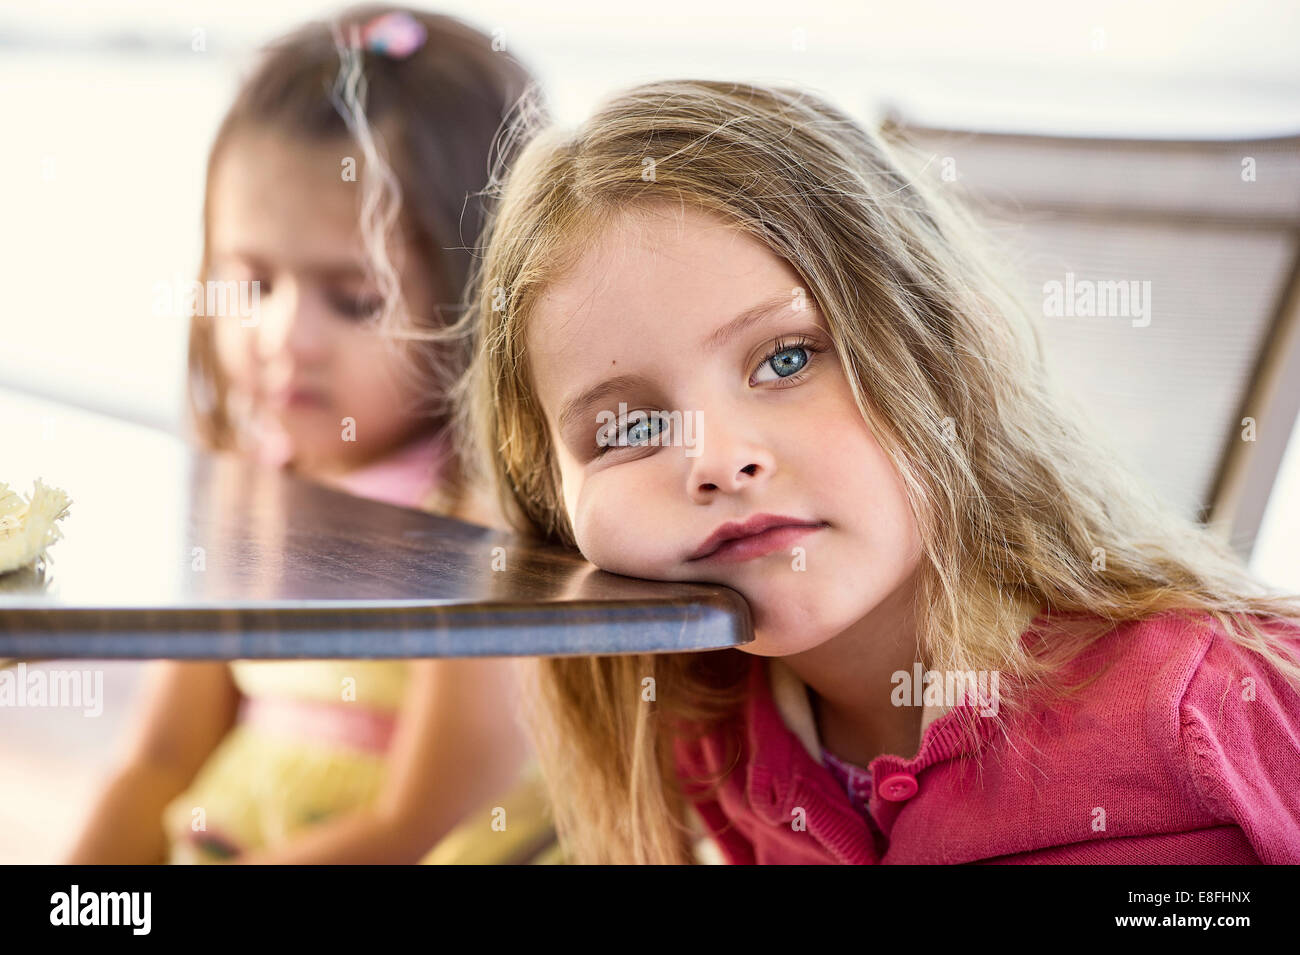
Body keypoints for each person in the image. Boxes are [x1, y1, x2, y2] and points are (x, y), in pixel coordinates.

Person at [450, 78, 1300, 864]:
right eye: (631, 425)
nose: (716, 460)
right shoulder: (712, 732)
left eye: (785, 360)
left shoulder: (1215, 699)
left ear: (944, 356)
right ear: (551, 503)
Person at [67, 6, 541, 864]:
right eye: (250, 284)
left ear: (480, 290)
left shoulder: (480, 516)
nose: (286, 335)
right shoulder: (247, 482)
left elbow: (417, 823)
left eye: (354, 299)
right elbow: (158, 760)